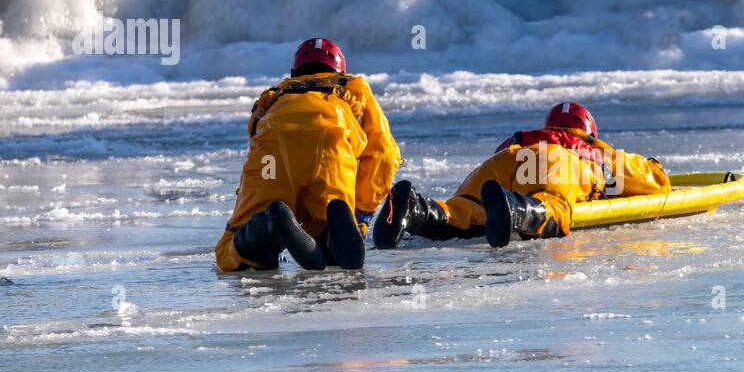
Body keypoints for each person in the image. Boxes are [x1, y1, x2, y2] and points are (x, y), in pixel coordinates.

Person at [215, 37, 401, 271]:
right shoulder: (353, 86)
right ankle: (328, 240)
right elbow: (384, 153)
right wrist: (361, 215)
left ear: (295, 71)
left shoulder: (274, 95)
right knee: (329, 224)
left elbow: (254, 141)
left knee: (230, 250)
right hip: (330, 152)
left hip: (271, 159)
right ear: (340, 69)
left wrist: (250, 201)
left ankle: (270, 225)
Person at [374, 102, 669, 250]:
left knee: (465, 206)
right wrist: (655, 169)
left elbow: (500, 151)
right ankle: (516, 211)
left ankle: (418, 210)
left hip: (506, 159)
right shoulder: (591, 149)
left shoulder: (524, 136)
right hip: (552, 163)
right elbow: (644, 179)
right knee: (551, 203)